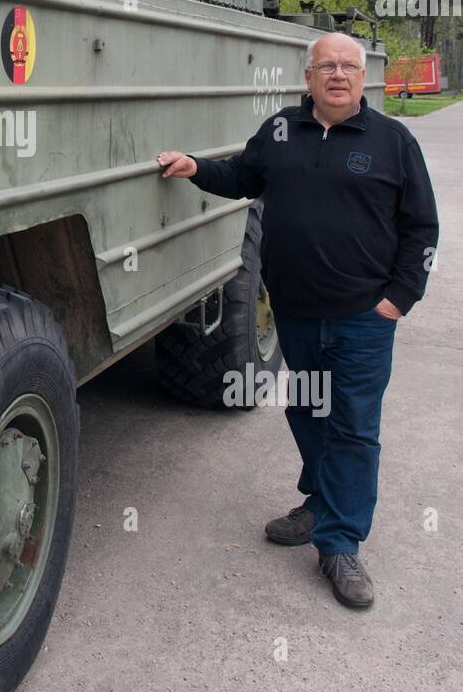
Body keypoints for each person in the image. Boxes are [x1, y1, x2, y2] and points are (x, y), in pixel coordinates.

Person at [156, 33, 439, 609]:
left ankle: (340, 543)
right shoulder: (282, 130)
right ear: (307, 76)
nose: (337, 75)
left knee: (354, 425)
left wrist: (398, 299)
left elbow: (421, 227)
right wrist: (194, 168)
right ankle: (318, 504)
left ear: (362, 78)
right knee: (308, 411)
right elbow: (242, 177)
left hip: (363, 318)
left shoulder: (393, 141)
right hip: (297, 313)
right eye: (326, 66)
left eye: (348, 66)